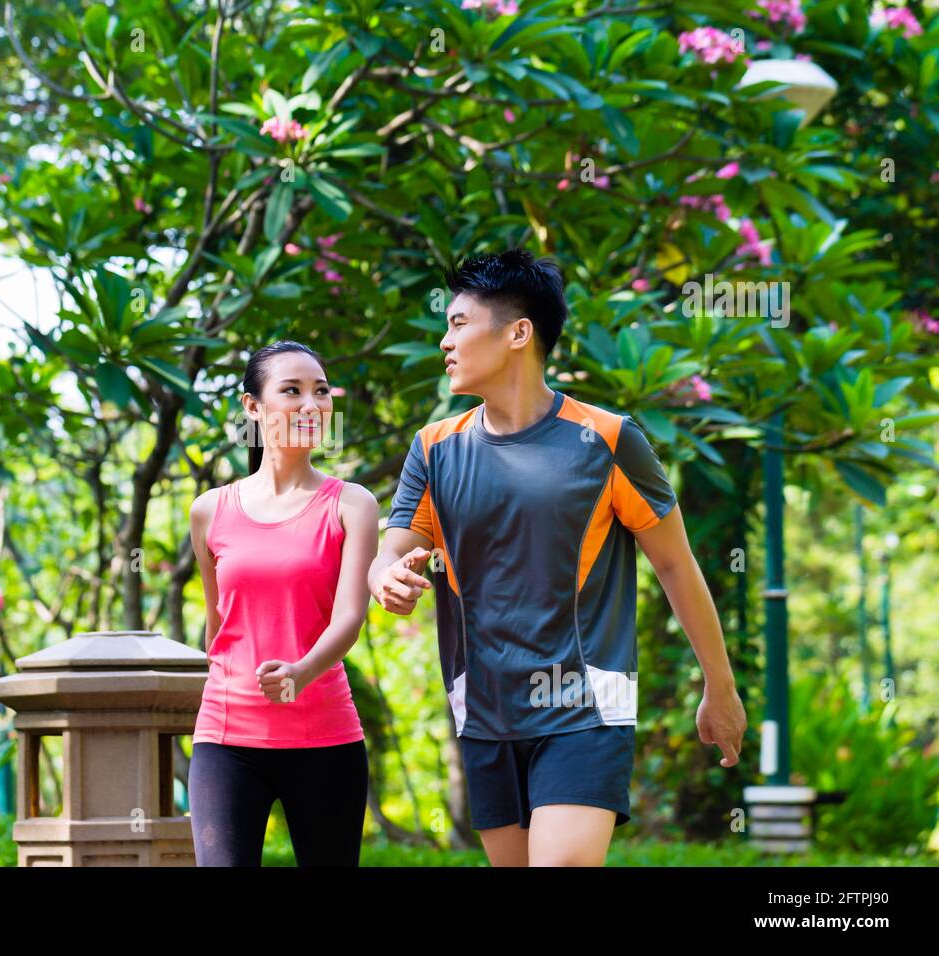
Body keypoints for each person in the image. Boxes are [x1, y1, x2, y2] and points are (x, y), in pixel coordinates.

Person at [368, 248, 748, 866]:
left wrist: (720, 685)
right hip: (484, 708)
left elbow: (676, 564)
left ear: (519, 332)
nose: (445, 341)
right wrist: (388, 578)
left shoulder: (609, 439)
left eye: (459, 324)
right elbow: (393, 551)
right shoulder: (434, 447)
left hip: (584, 705)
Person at [187, 340, 378, 866]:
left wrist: (302, 670)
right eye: (291, 391)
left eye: (321, 392)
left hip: (325, 737)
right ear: (253, 407)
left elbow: (350, 617)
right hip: (227, 737)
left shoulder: (351, 504)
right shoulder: (209, 511)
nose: (311, 405)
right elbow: (218, 625)